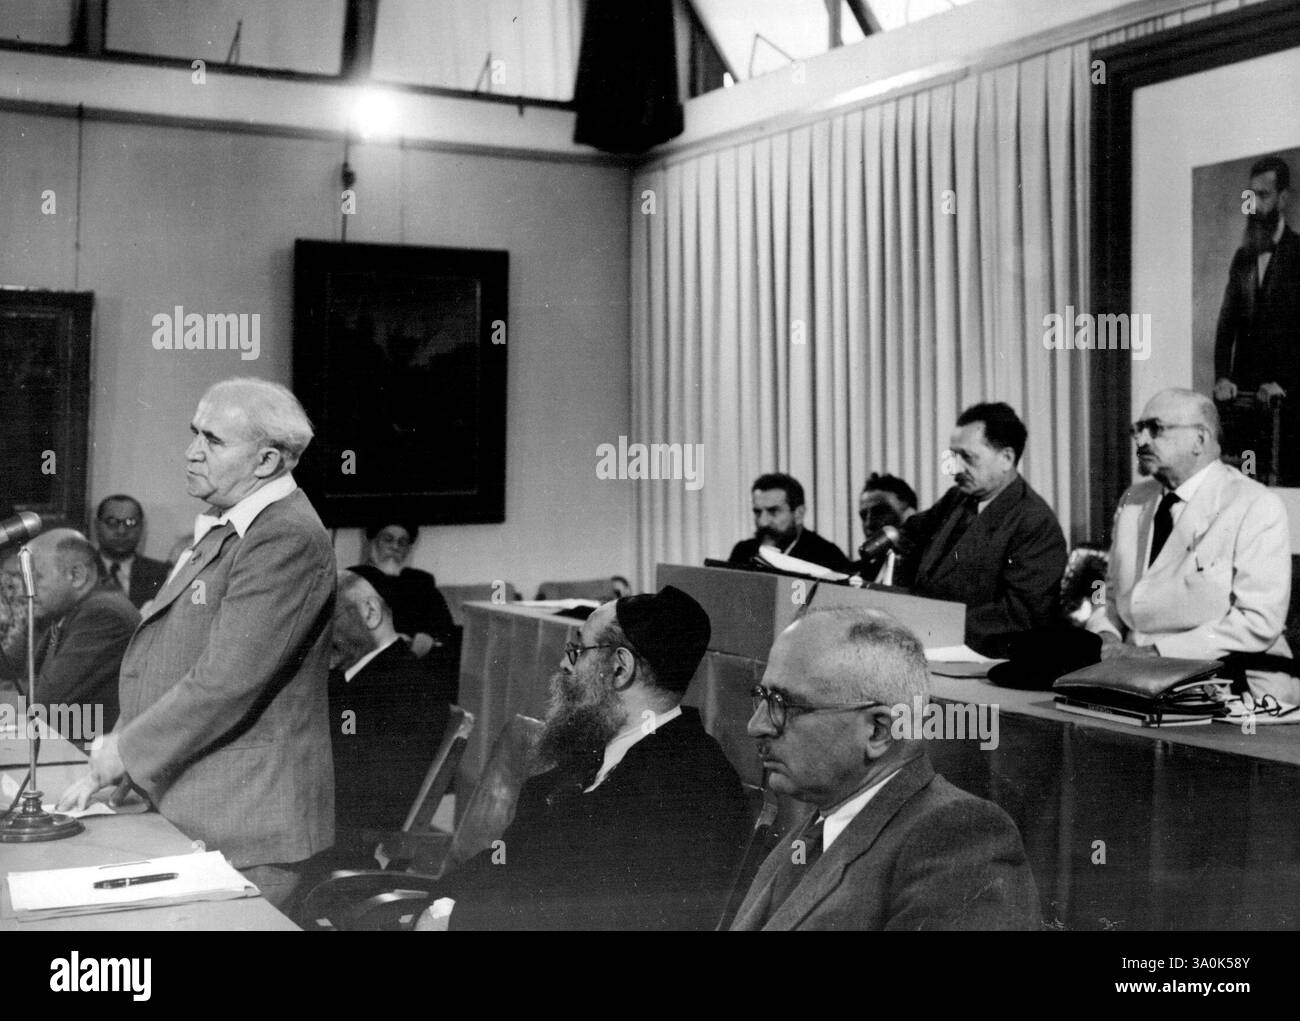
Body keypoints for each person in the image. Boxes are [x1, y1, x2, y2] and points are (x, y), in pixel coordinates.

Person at [58, 377, 337, 911]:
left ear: (266, 461)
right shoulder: (230, 526)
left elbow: (227, 681)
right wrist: (127, 754)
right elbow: (176, 658)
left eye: (213, 440)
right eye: (194, 434)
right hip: (196, 805)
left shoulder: (286, 536)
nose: (191, 452)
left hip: (247, 825)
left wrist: (128, 753)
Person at [422, 585, 749, 930]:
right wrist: (431, 907)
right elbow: (506, 860)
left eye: (578, 650)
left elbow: (594, 916)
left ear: (620, 668)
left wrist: (456, 920)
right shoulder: (592, 754)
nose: (565, 663)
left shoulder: (693, 786)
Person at [730, 607, 1040, 930]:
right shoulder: (816, 827)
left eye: (782, 704)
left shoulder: (961, 842)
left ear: (879, 731)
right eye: (761, 696)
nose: (757, 725)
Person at [1087, 388, 1296, 710]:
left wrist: (1154, 653)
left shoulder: (1254, 504)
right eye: (1137, 429)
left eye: (1155, 428)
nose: (1141, 440)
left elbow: (1258, 621)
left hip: (1234, 685)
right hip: (1135, 677)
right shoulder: (1134, 501)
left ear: (1200, 438)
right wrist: (1105, 636)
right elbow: (1111, 595)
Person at [898, 402, 1067, 657]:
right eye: (953, 456)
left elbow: (1020, 615)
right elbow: (910, 536)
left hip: (979, 661)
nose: (955, 468)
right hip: (925, 647)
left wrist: (930, 629)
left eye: (967, 457)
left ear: (1006, 458)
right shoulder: (958, 498)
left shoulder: (1035, 522)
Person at [328, 569, 453, 864]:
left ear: (369, 611)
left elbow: (377, 801)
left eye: (326, 622)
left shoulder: (410, 688)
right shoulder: (351, 677)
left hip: (349, 850)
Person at [0, 529, 137, 747]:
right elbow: (7, 667)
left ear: (76, 576)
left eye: (35, 577)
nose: (24, 589)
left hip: (83, 756)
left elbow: (42, 701)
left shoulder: (105, 614)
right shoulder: (52, 608)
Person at [1213, 155, 1300, 484]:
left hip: (1289, 407)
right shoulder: (1243, 257)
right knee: (1245, 483)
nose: (1253, 204)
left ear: (1283, 198)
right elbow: (1226, 324)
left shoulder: (1299, 253)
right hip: (1245, 405)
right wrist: (1223, 376)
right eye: (1250, 195)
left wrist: (1286, 385)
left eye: (1262, 196)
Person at [350, 523, 454, 659]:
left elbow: (445, 630)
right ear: (373, 542)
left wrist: (425, 639)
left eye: (402, 542)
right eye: (388, 540)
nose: (395, 547)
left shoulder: (421, 582)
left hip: (416, 664)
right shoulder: (352, 579)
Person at [726, 472, 850, 574]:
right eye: (758, 512)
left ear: (799, 514)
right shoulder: (742, 552)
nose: (763, 522)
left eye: (773, 511)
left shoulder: (827, 555)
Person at [93, 494, 171, 610]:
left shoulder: (162, 574)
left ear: (141, 527)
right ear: (97, 525)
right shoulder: (83, 570)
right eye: (112, 522)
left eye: (131, 522)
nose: (121, 531)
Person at [850, 472, 918, 582]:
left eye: (880, 512)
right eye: (863, 516)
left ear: (910, 514)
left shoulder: (926, 570)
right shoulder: (857, 574)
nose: (868, 524)